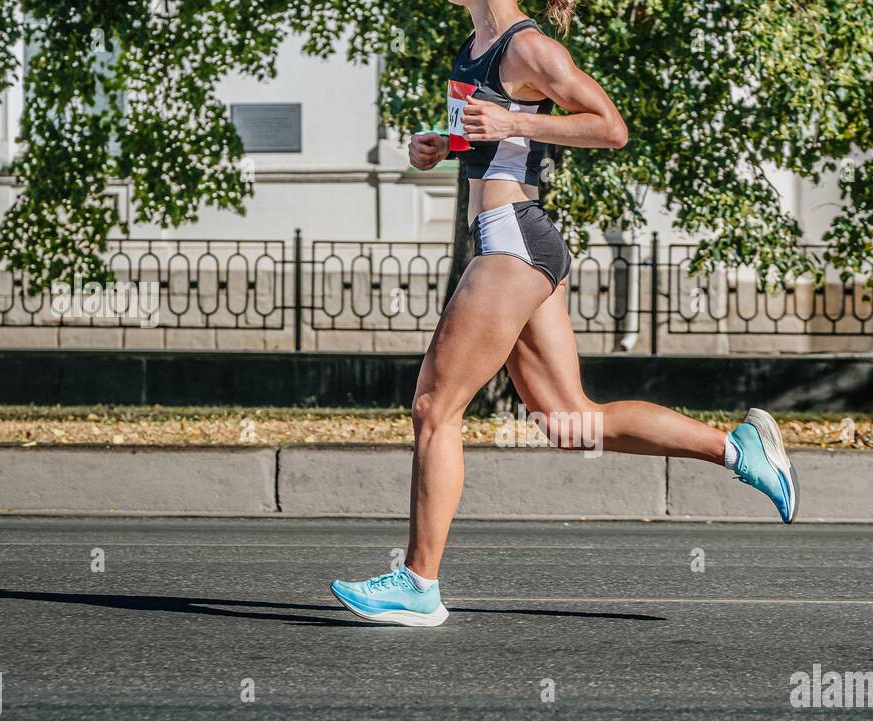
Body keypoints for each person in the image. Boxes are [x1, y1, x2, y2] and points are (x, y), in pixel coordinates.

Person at [331, 0, 798, 626]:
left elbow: (610, 127)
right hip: (512, 239)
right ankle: (738, 450)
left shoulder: (529, 48)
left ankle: (417, 584)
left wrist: (510, 119)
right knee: (570, 420)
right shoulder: (473, 49)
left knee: (433, 407)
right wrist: (445, 146)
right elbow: (500, 144)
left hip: (513, 239)